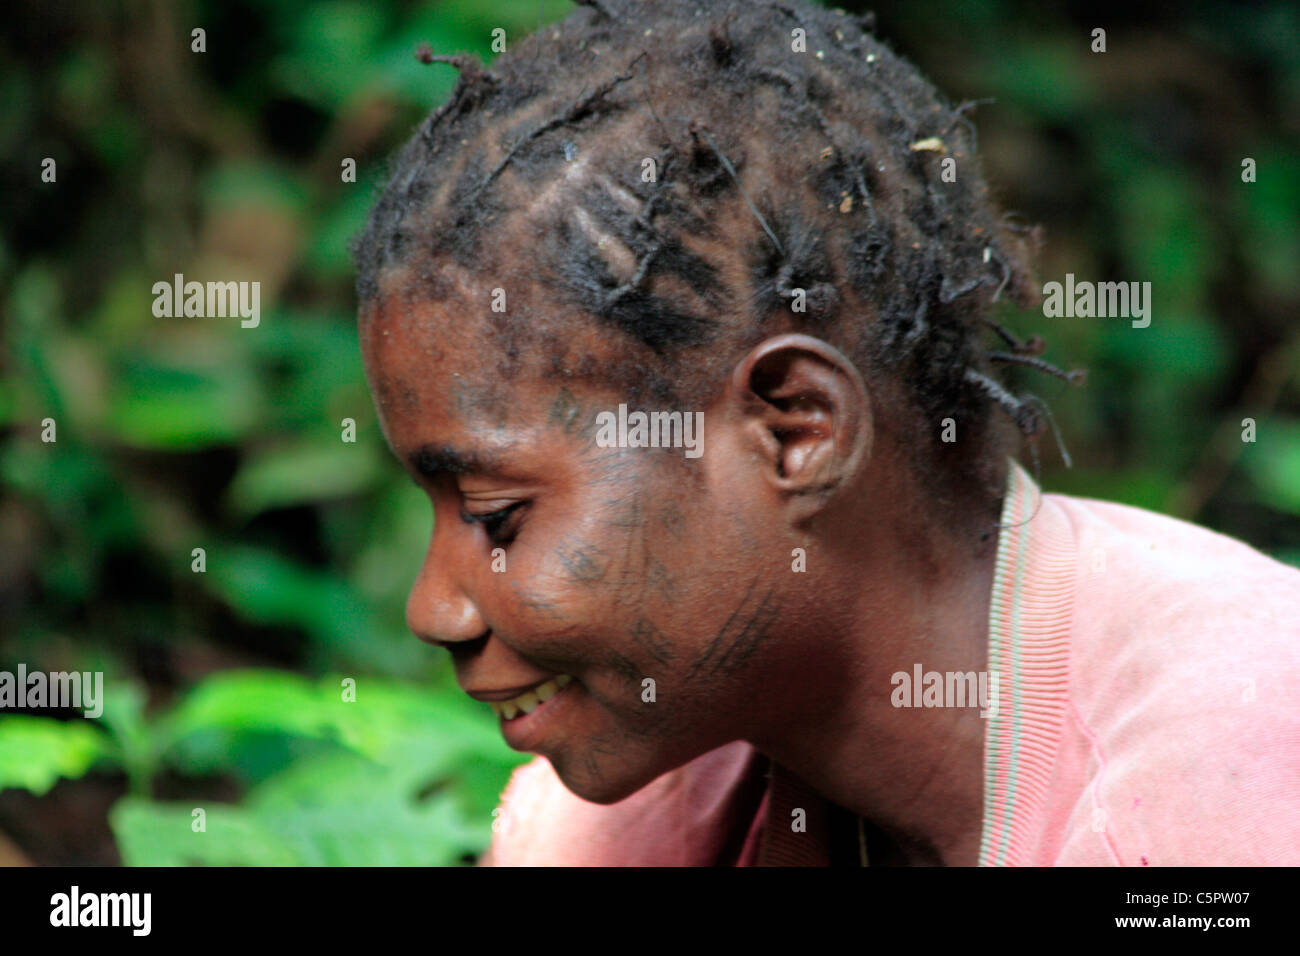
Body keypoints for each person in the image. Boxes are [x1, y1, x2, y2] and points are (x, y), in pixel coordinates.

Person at [352, 0, 1300, 865]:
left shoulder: (1229, 783)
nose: (436, 609)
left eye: (496, 514)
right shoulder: (617, 836)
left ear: (795, 430)